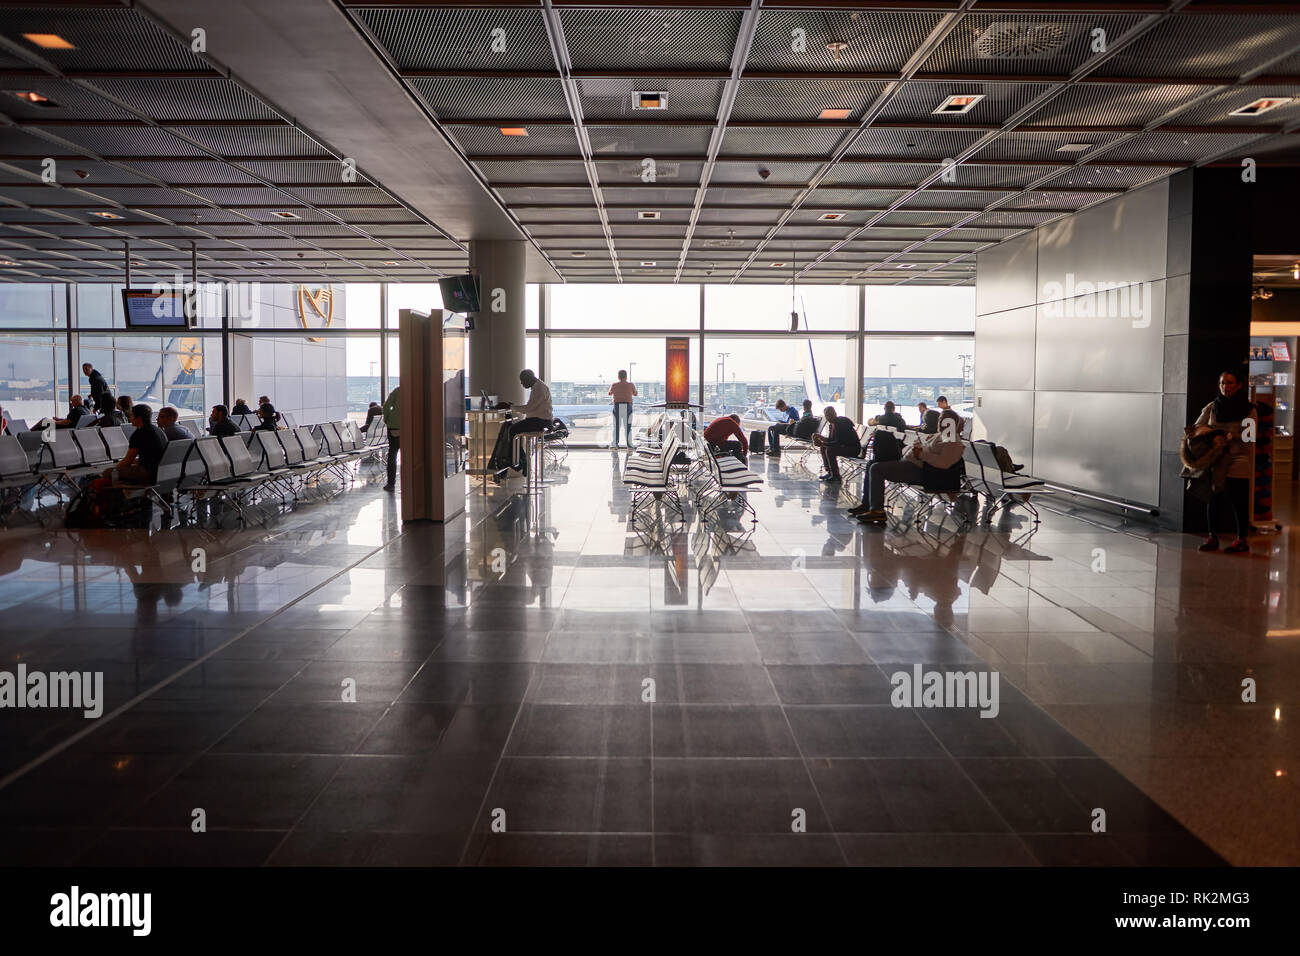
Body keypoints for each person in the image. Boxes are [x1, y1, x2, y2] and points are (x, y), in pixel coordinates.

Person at [855, 409, 965, 522]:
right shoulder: (941, 436)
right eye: (940, 419)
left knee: (876, 468)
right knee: (871, 464)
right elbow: (929, 451)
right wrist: (920, 448)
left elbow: (943, 463)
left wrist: (921, 453)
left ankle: (877, 511)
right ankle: (867, 504)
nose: (940, 423)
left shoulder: (953, 442)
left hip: (926, 474)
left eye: (944, 420)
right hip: (916, 466)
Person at [1191, 370, 1257, 554]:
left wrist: (1230, 435)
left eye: (1229, 383)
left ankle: (1241, 539)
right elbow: (1196, 427)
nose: (1225, 387)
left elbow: (1249, 436)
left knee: (1238, 499)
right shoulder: (1213, 407)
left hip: (1239, 458)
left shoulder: (1249, 408)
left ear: (1239, 385)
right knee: (1214, 498)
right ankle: (1212, 537)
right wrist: (1202, 432)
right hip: (1217, 457)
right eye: (1222, 383)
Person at [489, 370, 553, 478]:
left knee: (512, 430)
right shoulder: (538, 386)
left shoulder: (538, 389)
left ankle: (516, 461)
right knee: (514, 428)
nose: (521, 384)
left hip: (540, 421)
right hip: (541, 420)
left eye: (522, 381)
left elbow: (528, 409)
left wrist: (510, 407)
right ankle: (519, 459)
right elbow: (531, 407)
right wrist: (513, 407)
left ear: (529, 378)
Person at [95, 404, 166, 486]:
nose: (130, 418)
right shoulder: (158, 430)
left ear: (139, 418)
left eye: (132, 415)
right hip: (160, 471)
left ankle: (119, 495)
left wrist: (114, 468)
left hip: (148, 473)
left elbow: (127, 461)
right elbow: (151, 456)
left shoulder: (139, 434)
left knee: (108, 472)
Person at [812, 406, 861, 483]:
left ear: (835, 414)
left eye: (830, 415)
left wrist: (823, 443)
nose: (828, 417)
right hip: (844, 446)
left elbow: (838, 442)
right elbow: (831, 440)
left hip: (852, 449)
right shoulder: (832, 424)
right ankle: (829, 472)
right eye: (827, 416)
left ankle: (835, 475)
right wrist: (820, 437)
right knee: (823, 448)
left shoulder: (842, 423)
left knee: (830, 450)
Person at [608, 369, 637, 449]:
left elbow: (609, 393)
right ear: (626, 376)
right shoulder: (631, 385)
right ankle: (629, 445)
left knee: (616, 426)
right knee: (628, 427)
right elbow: (635, 393)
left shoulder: (614, 385)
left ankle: (615, 444)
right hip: (628, 406)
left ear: (618, 376)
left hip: (617, 406)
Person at [381, 386, 400, 491]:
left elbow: (386, 406)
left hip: (394, 426)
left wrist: (388, 420)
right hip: (411, 426)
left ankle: (391, 483)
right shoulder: (418, 391)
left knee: (392, 454)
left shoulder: (398, 390)